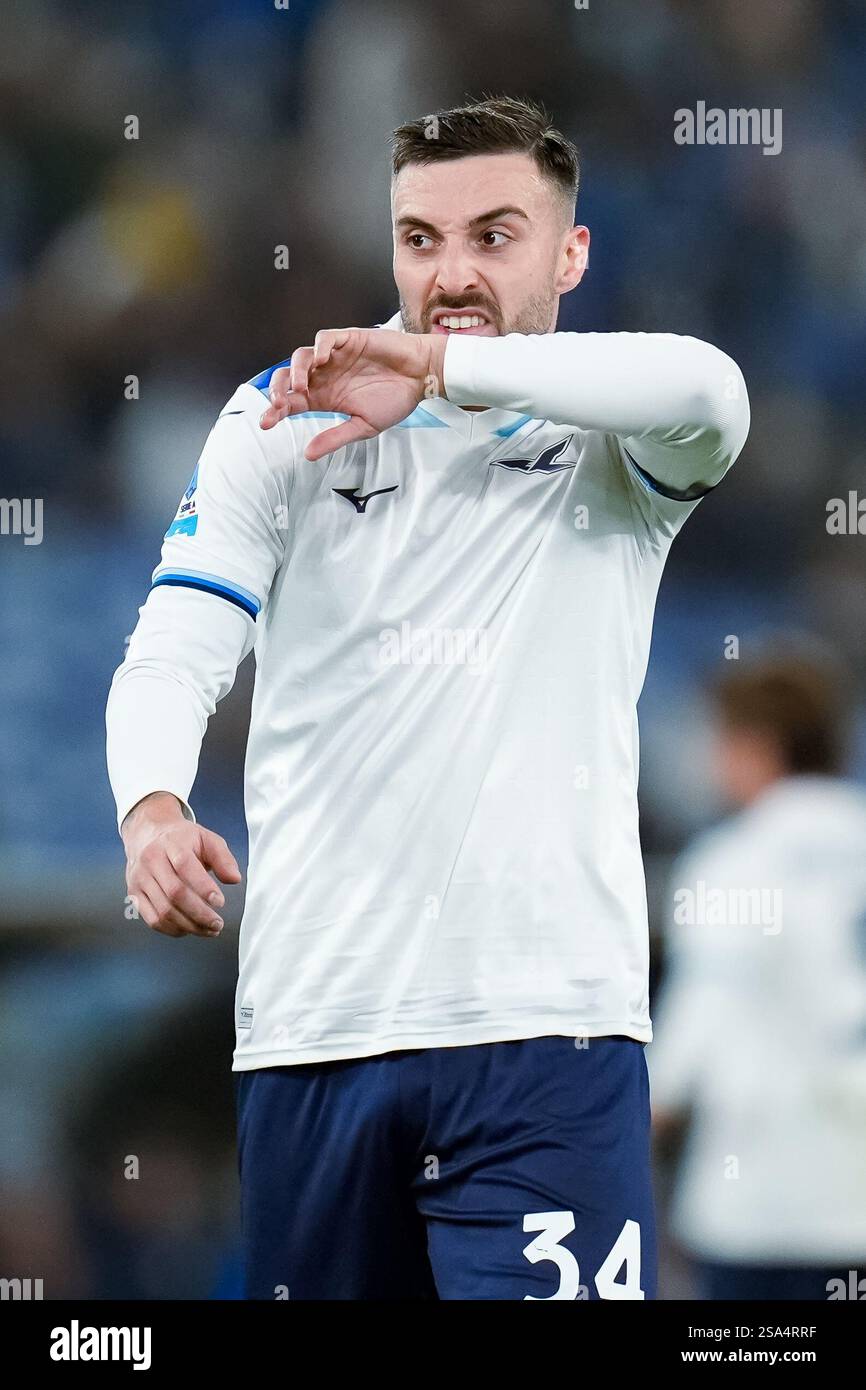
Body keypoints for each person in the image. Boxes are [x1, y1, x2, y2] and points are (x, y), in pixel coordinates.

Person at [106, 95, 749, 1300]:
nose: (449, 272)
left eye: (493, 236)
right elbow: (173, 644)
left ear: (570, 255)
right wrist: (150, 804)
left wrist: (439, 367)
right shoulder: (282, 412)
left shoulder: (618, 435)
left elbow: (712, 390)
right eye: (419, 238)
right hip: (314, 1030)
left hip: (545, 1029)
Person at [649, 649, 866, 1300]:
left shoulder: (733, 860)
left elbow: (701, 1016)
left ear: (755, 745)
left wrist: (640, 1115)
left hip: (762, 1199)